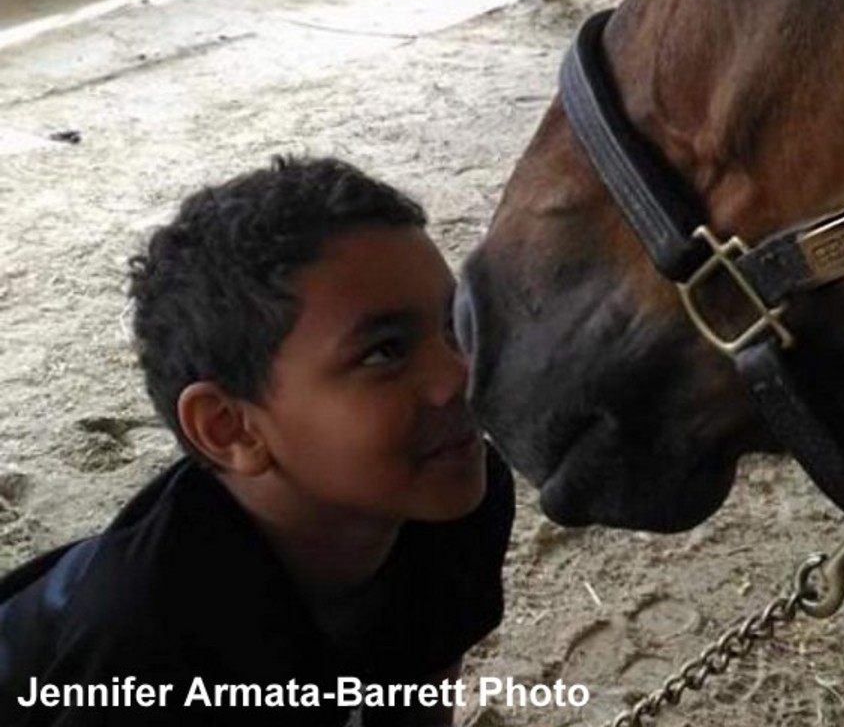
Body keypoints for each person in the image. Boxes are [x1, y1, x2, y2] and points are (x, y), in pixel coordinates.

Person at [0, 156, 514, 725]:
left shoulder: (458, 497)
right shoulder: (148, 640)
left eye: (452, 326)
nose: (460, 374)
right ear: (230, 427)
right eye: (384, 352)